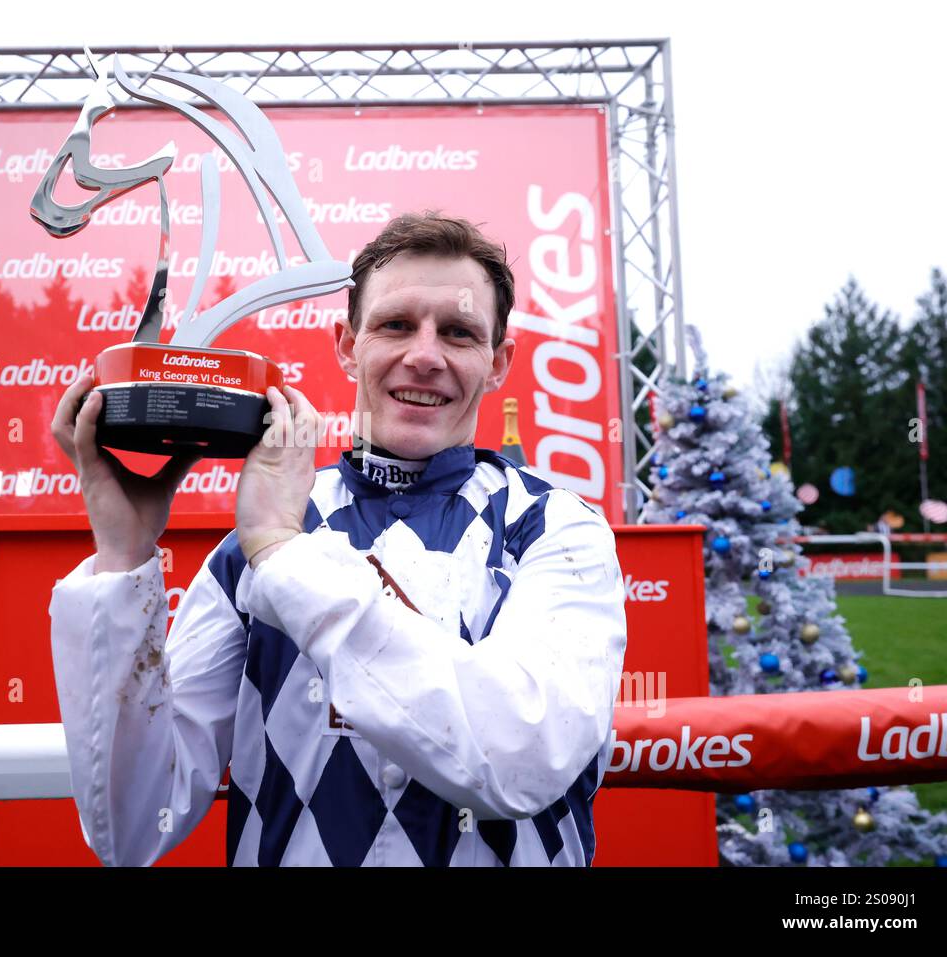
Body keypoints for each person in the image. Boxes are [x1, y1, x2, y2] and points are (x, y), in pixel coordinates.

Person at [48, 212, 628, 866]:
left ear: (498, 363)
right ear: (347, 344)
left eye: (459, 332)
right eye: (396, 325)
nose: (426, 356)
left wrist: (286, 555)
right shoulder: (249, 551)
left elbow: (517, 756)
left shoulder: (559, 529)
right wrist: (123, 554)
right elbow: (132, 828)